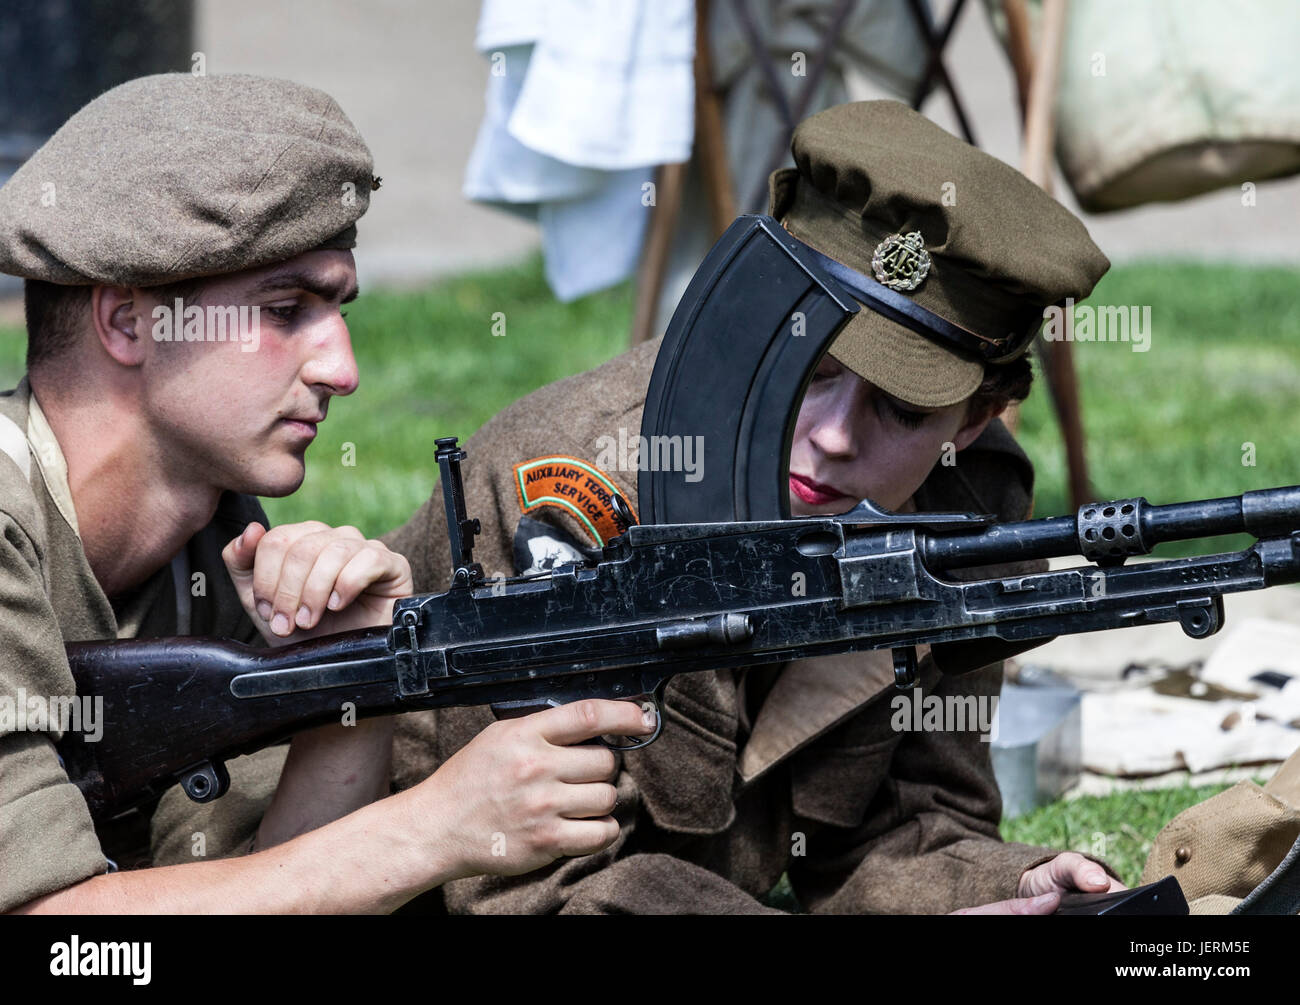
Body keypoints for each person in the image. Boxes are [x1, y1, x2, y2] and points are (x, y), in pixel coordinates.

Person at [382, 101, 1123, 914]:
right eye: (814, 370)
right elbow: (534, 897)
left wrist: (1003, 885)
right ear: (755, 325)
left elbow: (901, 828)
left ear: (977, 417)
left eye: (903, 410)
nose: (838, 436)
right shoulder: (571, 487)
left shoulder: (963, 516)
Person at [0, 73, 647, 915]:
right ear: (129, 322)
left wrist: (354, 676)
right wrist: (435, 826)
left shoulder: (213, 533)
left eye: (337, 310)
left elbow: (256, 890)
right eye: (283, 310)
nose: (342, 369)